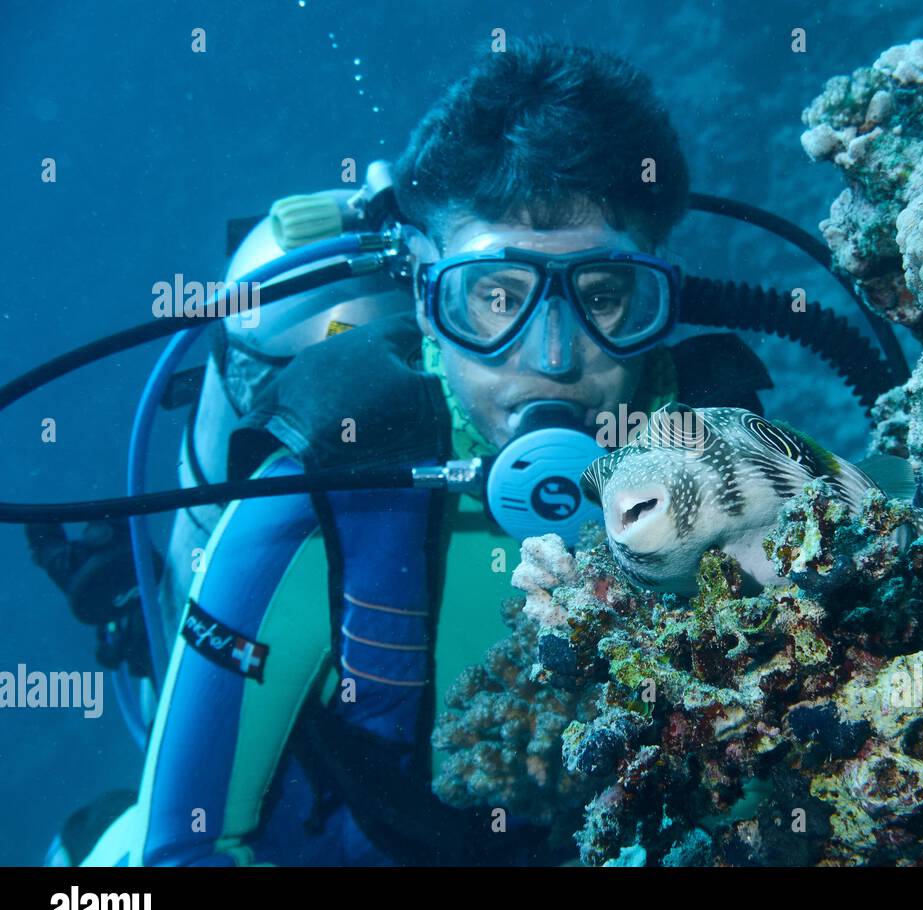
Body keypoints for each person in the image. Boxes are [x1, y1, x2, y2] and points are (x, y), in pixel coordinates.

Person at [80, 38, 773, 866]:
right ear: (423, 295)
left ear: (660, 293)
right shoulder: (316, 501)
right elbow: (179, 849)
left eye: (603, 295)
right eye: (495, 298)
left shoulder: (746, 478)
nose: (550, 357)